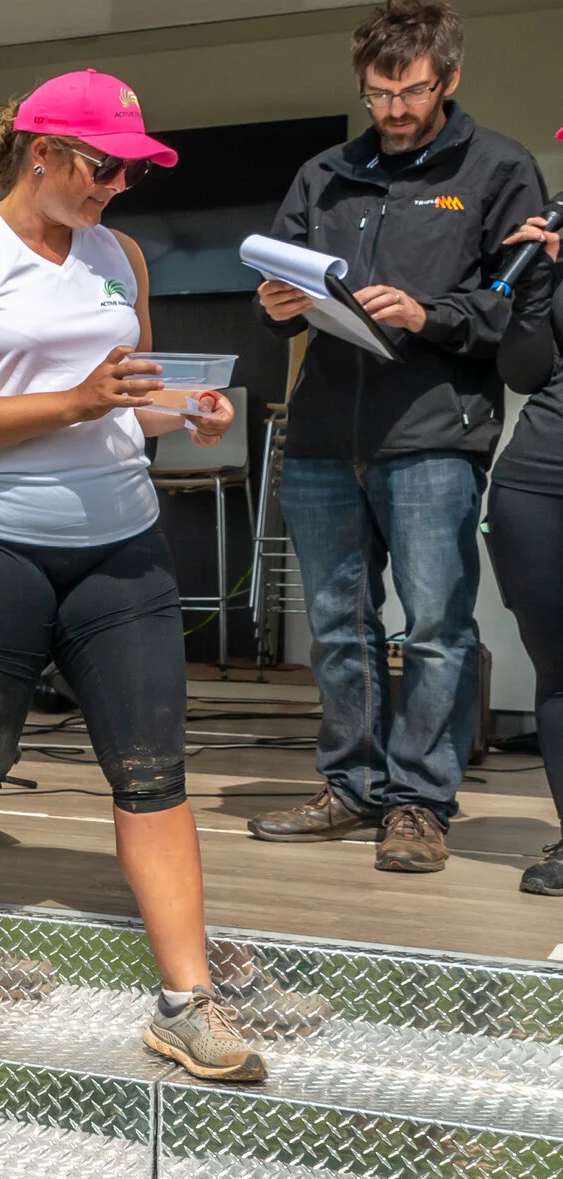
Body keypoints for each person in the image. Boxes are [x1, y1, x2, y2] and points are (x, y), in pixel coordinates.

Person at [0, 71, 284, 1079]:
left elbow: (125, 395)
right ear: (42, 155)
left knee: (154, 771)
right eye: (104, 168)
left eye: (128, 172)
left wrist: (182, 413)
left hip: (121, 548)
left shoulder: (120, 255)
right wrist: (72, 402)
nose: (116, 188)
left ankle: (185, 1002)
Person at [248, 0, 547, 872]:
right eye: (377, 93)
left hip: (433, 434)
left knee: (436, 628)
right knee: (338, 627)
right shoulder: (325, 173)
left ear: (448, 79)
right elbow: (282, 273)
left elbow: (515, 309)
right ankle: (349, 788)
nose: (393, 110)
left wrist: (428, 313)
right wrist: (274, 307)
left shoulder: (498, 170)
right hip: (320, 435)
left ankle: (419, 804)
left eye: (411, 92)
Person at [488, 162, 563, 895]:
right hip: (539, 484)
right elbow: (522, 371)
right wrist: (536, 287)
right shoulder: (552, 258)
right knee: (561, 674)